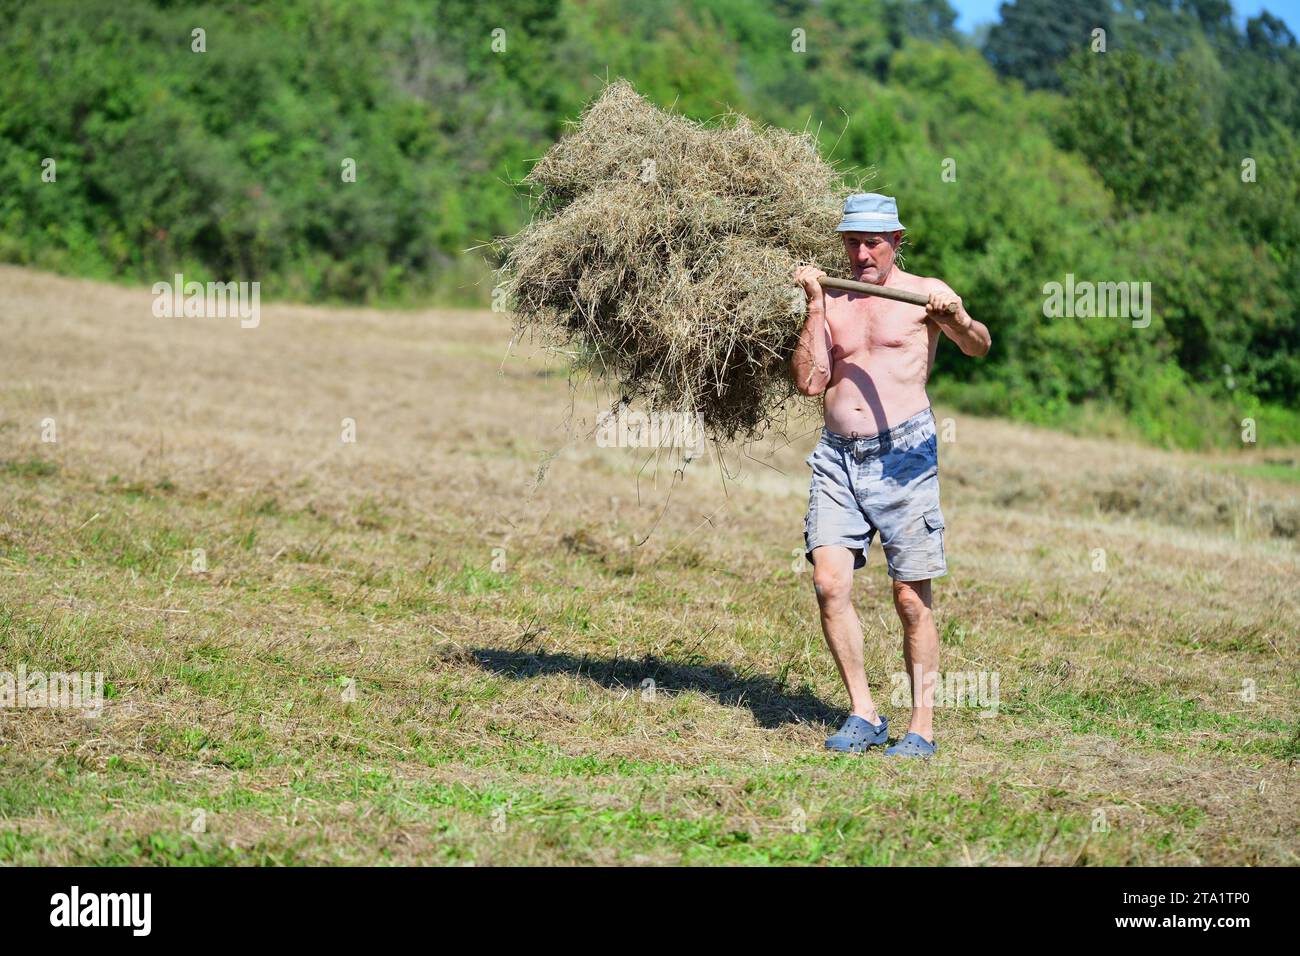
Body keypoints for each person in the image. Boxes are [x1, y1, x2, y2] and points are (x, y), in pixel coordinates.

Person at [790, 192, 991, 758]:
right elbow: (808, 382)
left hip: (905, 457)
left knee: (909, 596)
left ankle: (921, 728)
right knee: (829, 583)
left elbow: (979, 347)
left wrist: (957, 318)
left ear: (896, 242)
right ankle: (864, 713)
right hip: (836, 457)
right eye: (851, 242)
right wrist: (813, 306)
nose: (860, 254)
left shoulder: (924, 295)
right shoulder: (829, 299)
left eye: (872, 242)